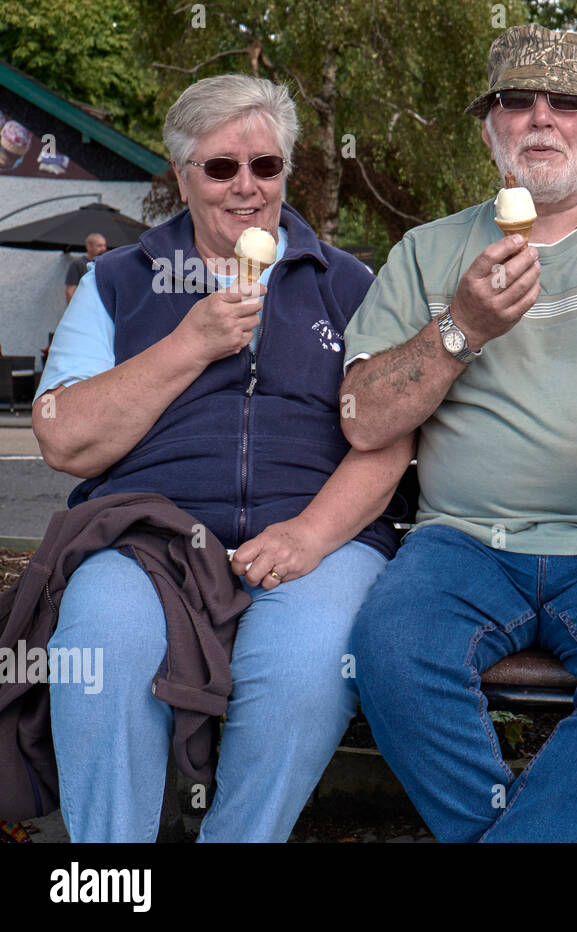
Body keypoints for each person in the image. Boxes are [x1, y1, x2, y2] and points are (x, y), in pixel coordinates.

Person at [340, 24, 577, 842]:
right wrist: (461, 327)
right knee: (392, 655)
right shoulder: (427, 253)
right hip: (465, 541)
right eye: (517, 101)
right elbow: (363, 416)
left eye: (567, 103)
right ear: (490, 128)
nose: (542, 118)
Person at [32, 74, 411, 842]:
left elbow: (390, 440)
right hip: (147, 536)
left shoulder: (348, 283)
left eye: (265, 166)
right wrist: (190, 343)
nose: (247, 186)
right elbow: (63, 437)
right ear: (181, 177)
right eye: (220, 167)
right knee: (100, 644)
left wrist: (309, 535)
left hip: (316, 538)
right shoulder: (117, 281)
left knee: (310, 667)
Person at [65, 233, 106, 303]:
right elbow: (70, 291)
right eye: (99, 246)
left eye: (104, 245)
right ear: (88, 246)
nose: (103, 249)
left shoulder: (106, 264)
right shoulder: (78, 264)